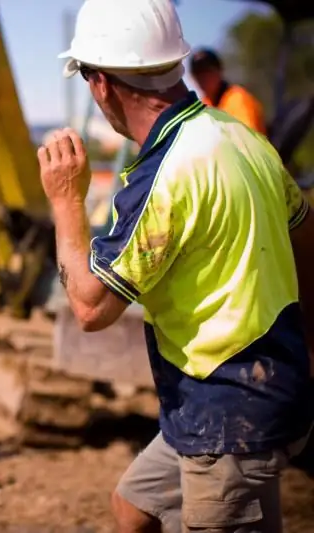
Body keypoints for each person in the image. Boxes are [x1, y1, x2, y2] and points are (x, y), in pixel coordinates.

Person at [41, 0, 314, 531]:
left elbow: (90, 308)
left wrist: (65, 202)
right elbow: (306, 238)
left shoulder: (165, 176)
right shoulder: (242, 137)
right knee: (133, 509)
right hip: (232, 397)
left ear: (99, 84)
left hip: (232, 416)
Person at [189, 47, 267, 135]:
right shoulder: (203, 105)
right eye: (198, 73)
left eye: (207, 71)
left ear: (219, 71)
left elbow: (248, 140)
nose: (203, 77)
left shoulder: (238, 100)